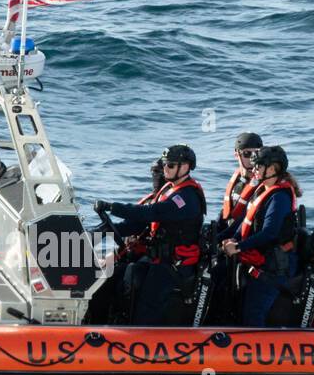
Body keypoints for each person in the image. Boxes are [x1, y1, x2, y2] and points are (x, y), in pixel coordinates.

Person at [94, 145, 206, 325]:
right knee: (119, 276)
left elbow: (150, 213)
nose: (164, 170)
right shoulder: (169, 191)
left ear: (185, 167)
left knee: (147, 304)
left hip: (173, 266)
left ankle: (140, 338)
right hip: (156, 259)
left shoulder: (185, 198)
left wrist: (113, 207)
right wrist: (99, 233)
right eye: (163, 165)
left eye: (169, 165)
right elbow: (138, 224)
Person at [221, 145, 302, 327]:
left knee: (253, 314)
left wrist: (239, 247)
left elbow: (270, 232)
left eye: (259, 166)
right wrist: (227, 238)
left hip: (273, 268)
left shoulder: (279, 197)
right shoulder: (262, 191)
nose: (254, 169)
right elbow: (242, 221)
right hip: (259, 261)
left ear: (273, 169)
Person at [220, 132, 263, 230]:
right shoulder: (237, 181)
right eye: (247, 154)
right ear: (237, 155)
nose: (252, 158)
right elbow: (226, 212)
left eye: (256, 153)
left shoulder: (264, 184)